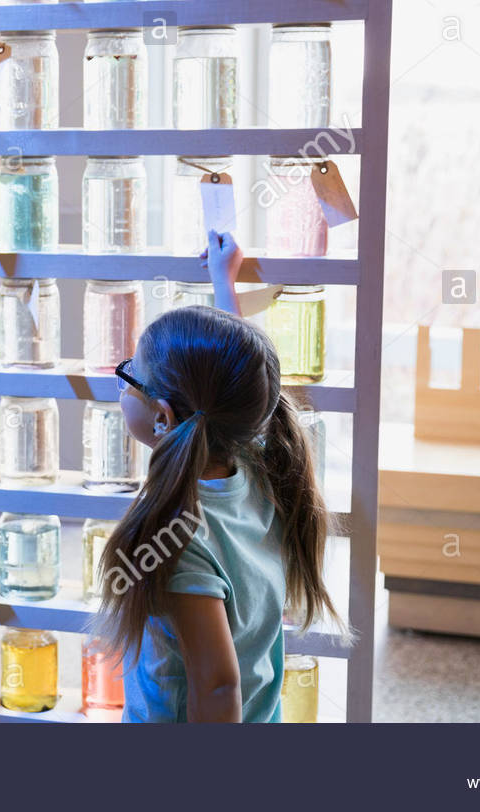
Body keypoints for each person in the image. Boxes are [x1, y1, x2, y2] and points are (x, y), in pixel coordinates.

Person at [93, 230, 353, 722]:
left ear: (163, 418)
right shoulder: (258, 466)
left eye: (128, 374)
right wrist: (222, 280)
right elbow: (232, 375)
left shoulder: (179, 540)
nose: (121, 381)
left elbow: (217, 685)